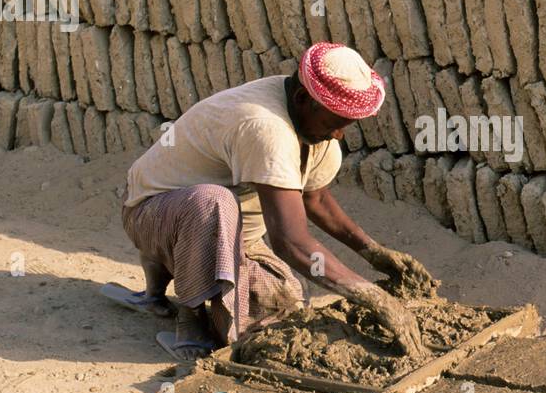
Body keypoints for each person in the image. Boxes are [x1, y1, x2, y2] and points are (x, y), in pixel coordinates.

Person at [119, 41, 436, 361]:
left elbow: (316, 198)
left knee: (287, 303)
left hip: (224, 232)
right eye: (333, 124)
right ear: (302, 99)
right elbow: (290, 242)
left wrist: (374, 252)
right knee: (213, 202)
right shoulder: (265, 126)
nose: (339, 135)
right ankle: (191, 317)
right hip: (152, 211)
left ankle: (168, 269)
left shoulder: (309, 126)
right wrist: (375, 298)